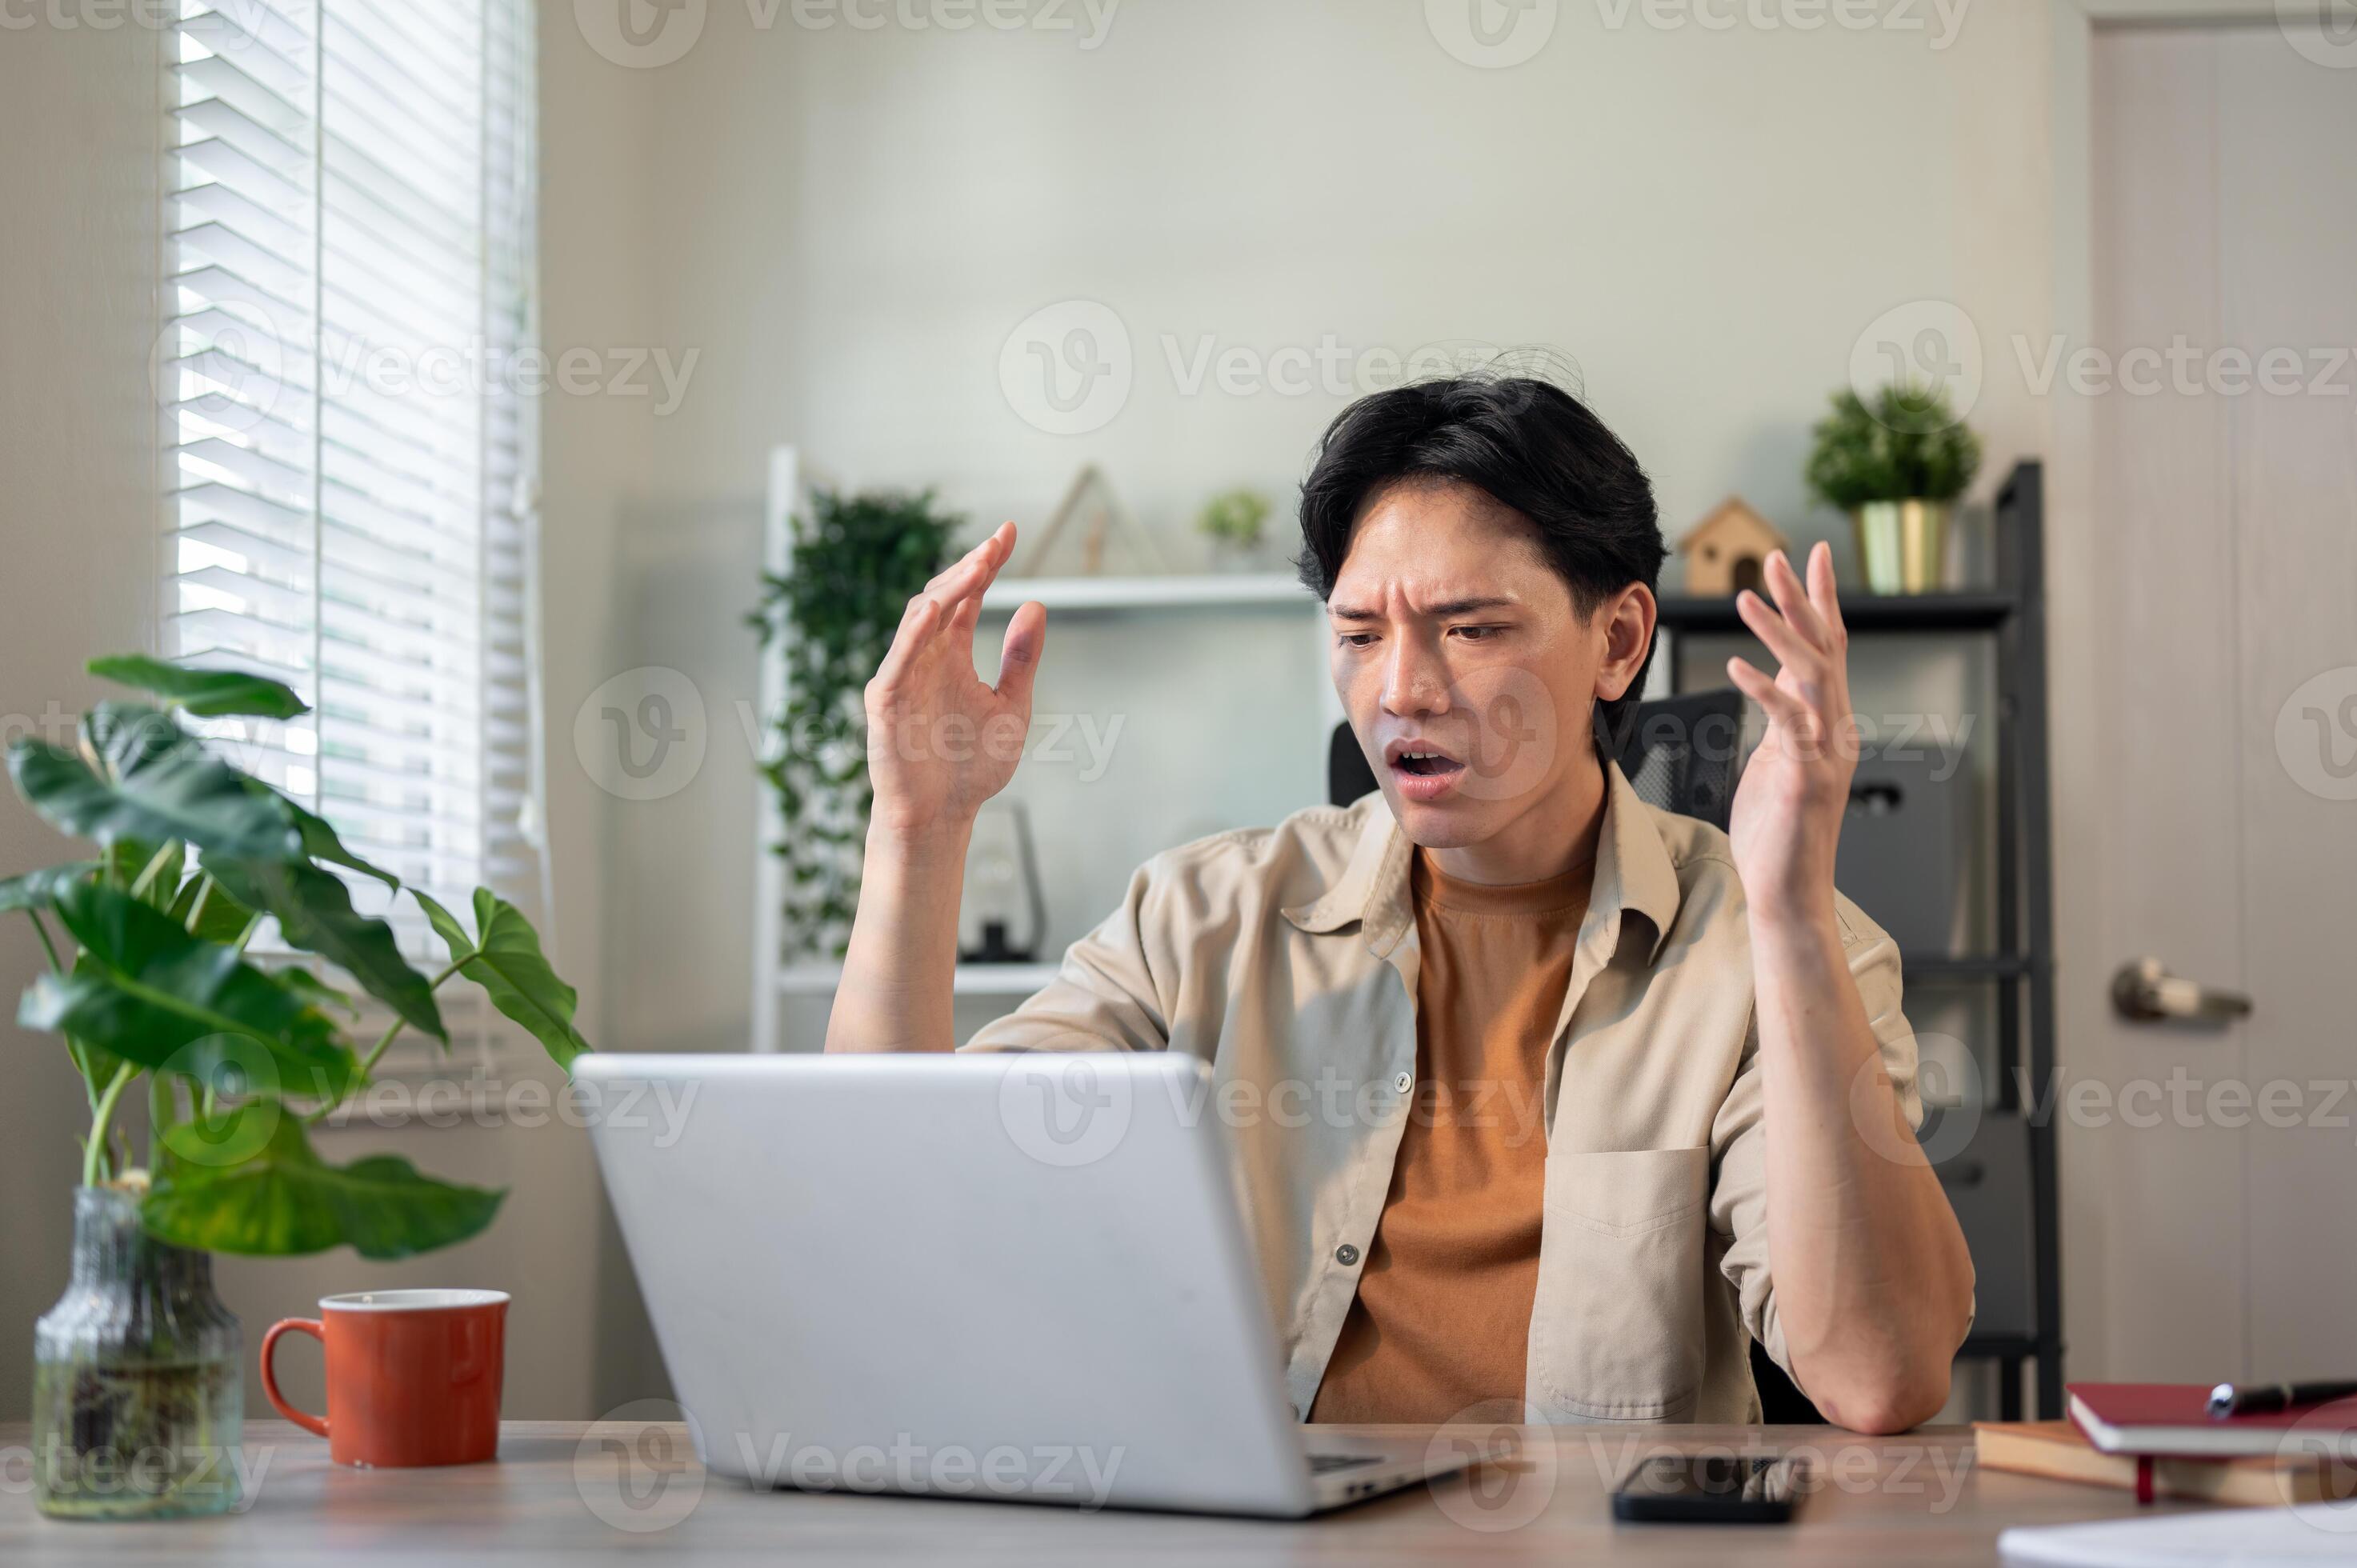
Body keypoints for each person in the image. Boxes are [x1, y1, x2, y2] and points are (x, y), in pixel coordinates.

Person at [825, 374, 1975, 1433]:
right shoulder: (1202, 918)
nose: (1401, 691)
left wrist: (1786, 918)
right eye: (1359, 634)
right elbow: (894, 1209)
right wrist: (920, 831)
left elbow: (1875, 1377)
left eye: (1469, 629)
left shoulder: (1767, 952)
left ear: (1617, 639)